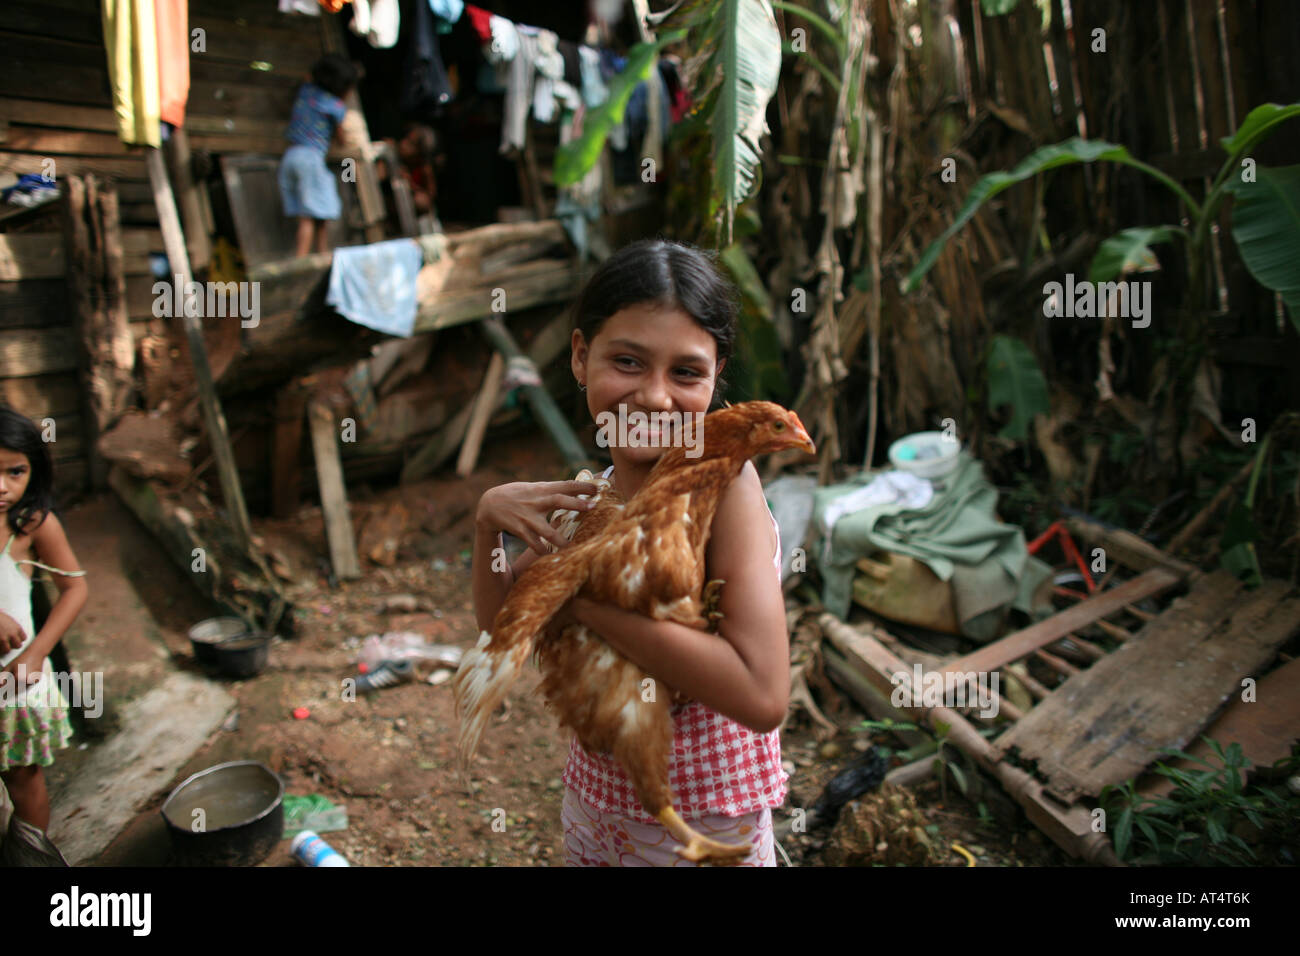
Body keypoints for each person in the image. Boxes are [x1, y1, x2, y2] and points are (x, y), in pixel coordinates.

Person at [471, 239, 789, 866]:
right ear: (581, 357)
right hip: (598, 804)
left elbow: (762, 694)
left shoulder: (725, 488)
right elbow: (501, 626)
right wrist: (486, 527)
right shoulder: (594, 496)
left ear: (716, 375)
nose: (655, 397)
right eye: (628, 362)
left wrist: (582, 599)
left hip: (705, 818)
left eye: (686, 372)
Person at [0, 408, 88, 866]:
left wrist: (36, 654)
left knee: (24, 778)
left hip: (15, 688)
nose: (1, 486)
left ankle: (29, 858)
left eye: (15, 471)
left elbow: (75, 587)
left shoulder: (31, 525)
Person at [279, 53, 358, 258]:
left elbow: (307, 77)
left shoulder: (306, 91)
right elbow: (341, 138)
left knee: (314, 212)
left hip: (291, 156)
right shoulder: (336, 107)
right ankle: (302, 260)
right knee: (313, 215)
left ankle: (322, 254)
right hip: (310, 159)